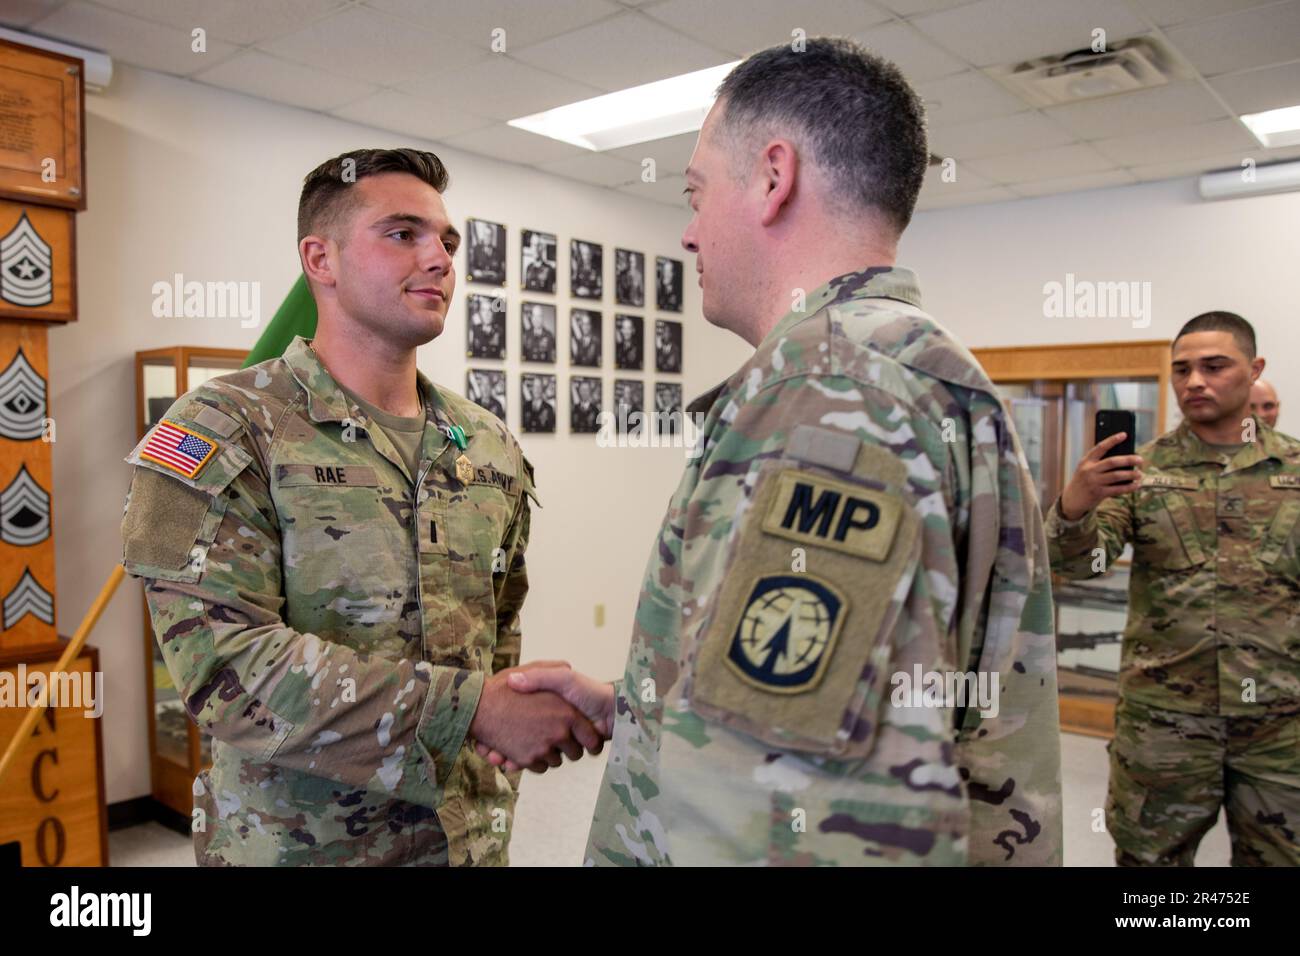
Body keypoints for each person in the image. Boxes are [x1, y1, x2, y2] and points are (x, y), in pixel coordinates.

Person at [498, 38, 1062, 866]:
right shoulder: (911, 365)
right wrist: (642, 704)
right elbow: (835, 695)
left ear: (772, 177)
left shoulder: (830, 395)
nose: (688, 234)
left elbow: (796, 816)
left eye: (695, 194)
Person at [119, 148, 604, 867]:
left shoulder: (487, 445)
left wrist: (506, 713)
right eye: (403, 233)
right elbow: (227, 670)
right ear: (321, 258)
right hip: (299, 849)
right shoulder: (222, 427)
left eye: (446, 240)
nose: (440, 257)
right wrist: (472, 708)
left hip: (463, 841)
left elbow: (497, 630)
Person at [1047, 311, 1300, 866]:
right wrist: (1075, 504)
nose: (1195, 382)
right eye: (1181, 369)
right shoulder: (1140, 470)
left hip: (1281, 726)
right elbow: (1081, 564)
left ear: (1254, 369)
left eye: (1214, 366)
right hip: (1164, 723)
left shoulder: (1295, 471)